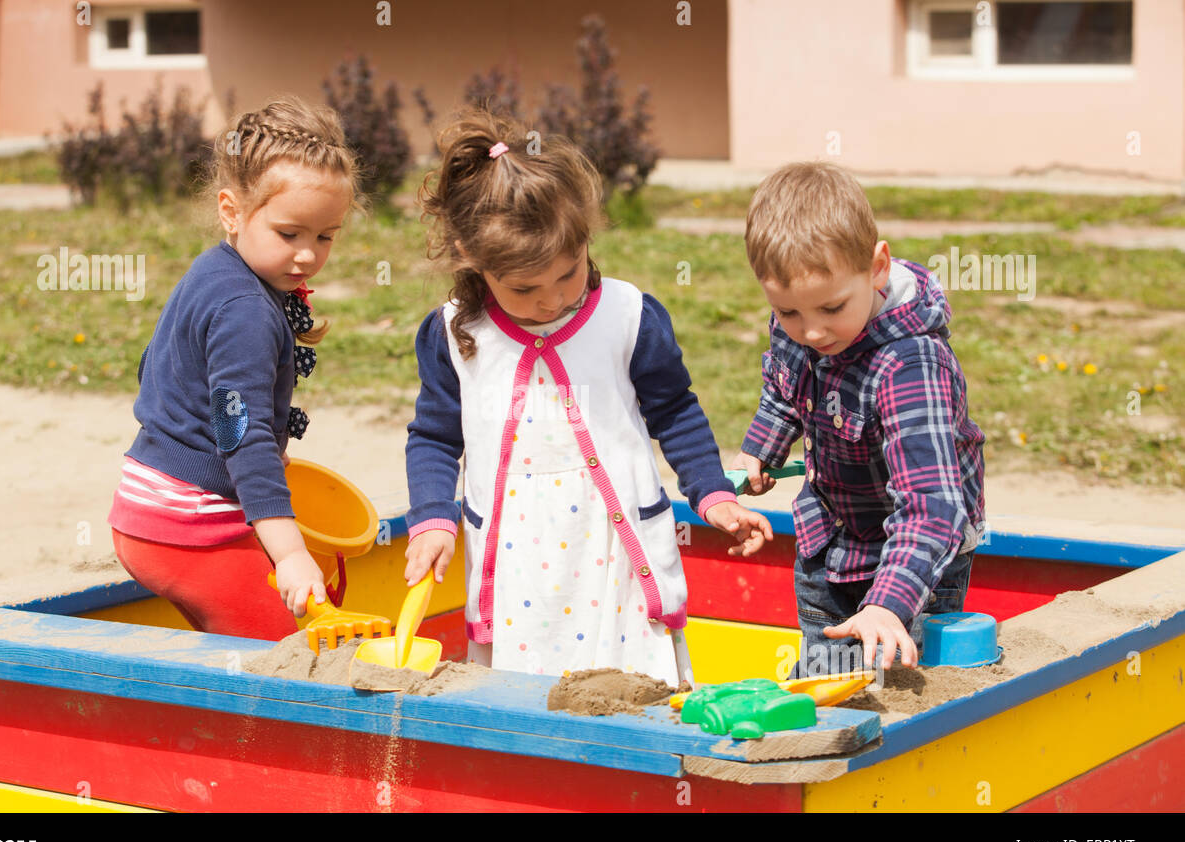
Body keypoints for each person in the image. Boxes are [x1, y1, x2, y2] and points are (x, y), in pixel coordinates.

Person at [403, 109, 772, 684]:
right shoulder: (456, 334)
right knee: (522, 707)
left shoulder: (628, 317)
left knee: (636, 693)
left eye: (568, 273)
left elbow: (674, 411)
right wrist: (430, 519)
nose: (550, 300)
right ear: (471, 258)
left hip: (615, 558)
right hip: (517, 562)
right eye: (524, 288)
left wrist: (712, 493)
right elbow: (433, 435)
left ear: (586, 239)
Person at [107, 98, 360, 640]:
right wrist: (290, 554)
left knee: (228, 655)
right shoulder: (245, 310)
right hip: (190, 526)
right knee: (293, 647)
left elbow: (155, 366)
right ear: (232, 211)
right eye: (289, 234)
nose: (308, 255)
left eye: (326, 236)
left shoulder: (211, 269)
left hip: (141, 507)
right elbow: (239, 436)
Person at [730, 161, 986, 677]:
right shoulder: (803, 323)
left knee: (898, 698)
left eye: (831, 308)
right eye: (788, 313)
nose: (813, 332)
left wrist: (888, 603)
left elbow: (934, 507)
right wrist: (761, 449)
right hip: (828, 544)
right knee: (826, 693)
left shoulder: (910, 365)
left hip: (913, 564)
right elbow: (785, 387)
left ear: (878, 267)